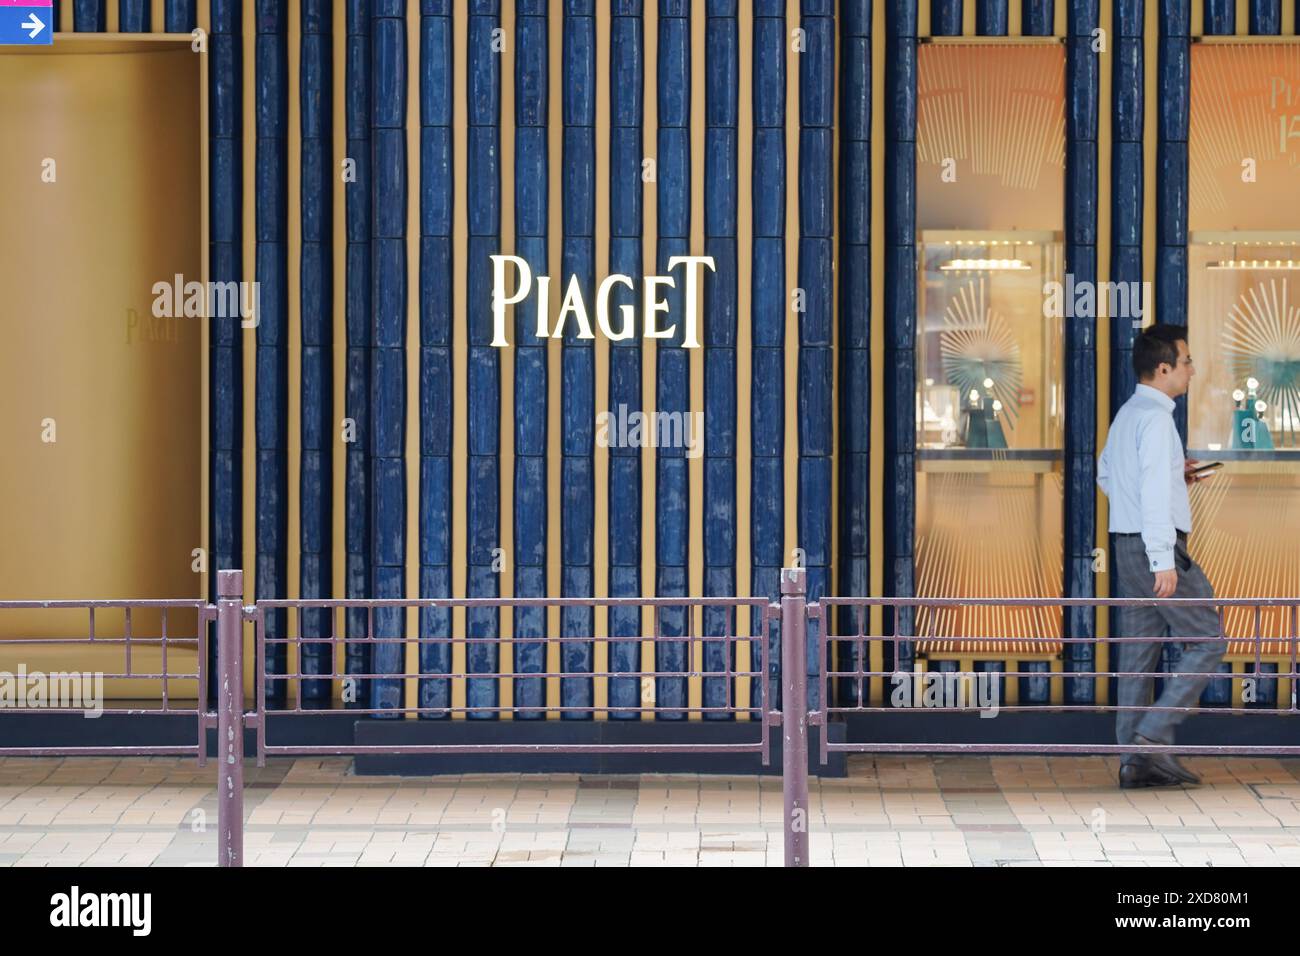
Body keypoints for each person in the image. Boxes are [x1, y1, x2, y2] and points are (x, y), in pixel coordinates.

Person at [1097, 324, 1225, 789]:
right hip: (1156, 547)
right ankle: (1152, 736)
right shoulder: (1155, 419)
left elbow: (1107, 474)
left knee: (1138, 653)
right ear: (1164, 368)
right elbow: (1150, 491)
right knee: (1208, 637)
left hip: (1126, 544)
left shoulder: (1129, 413)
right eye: (1187, 362)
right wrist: (1162, 558)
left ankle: (1133, 760)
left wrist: (1175, 475)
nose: (1193, 370)